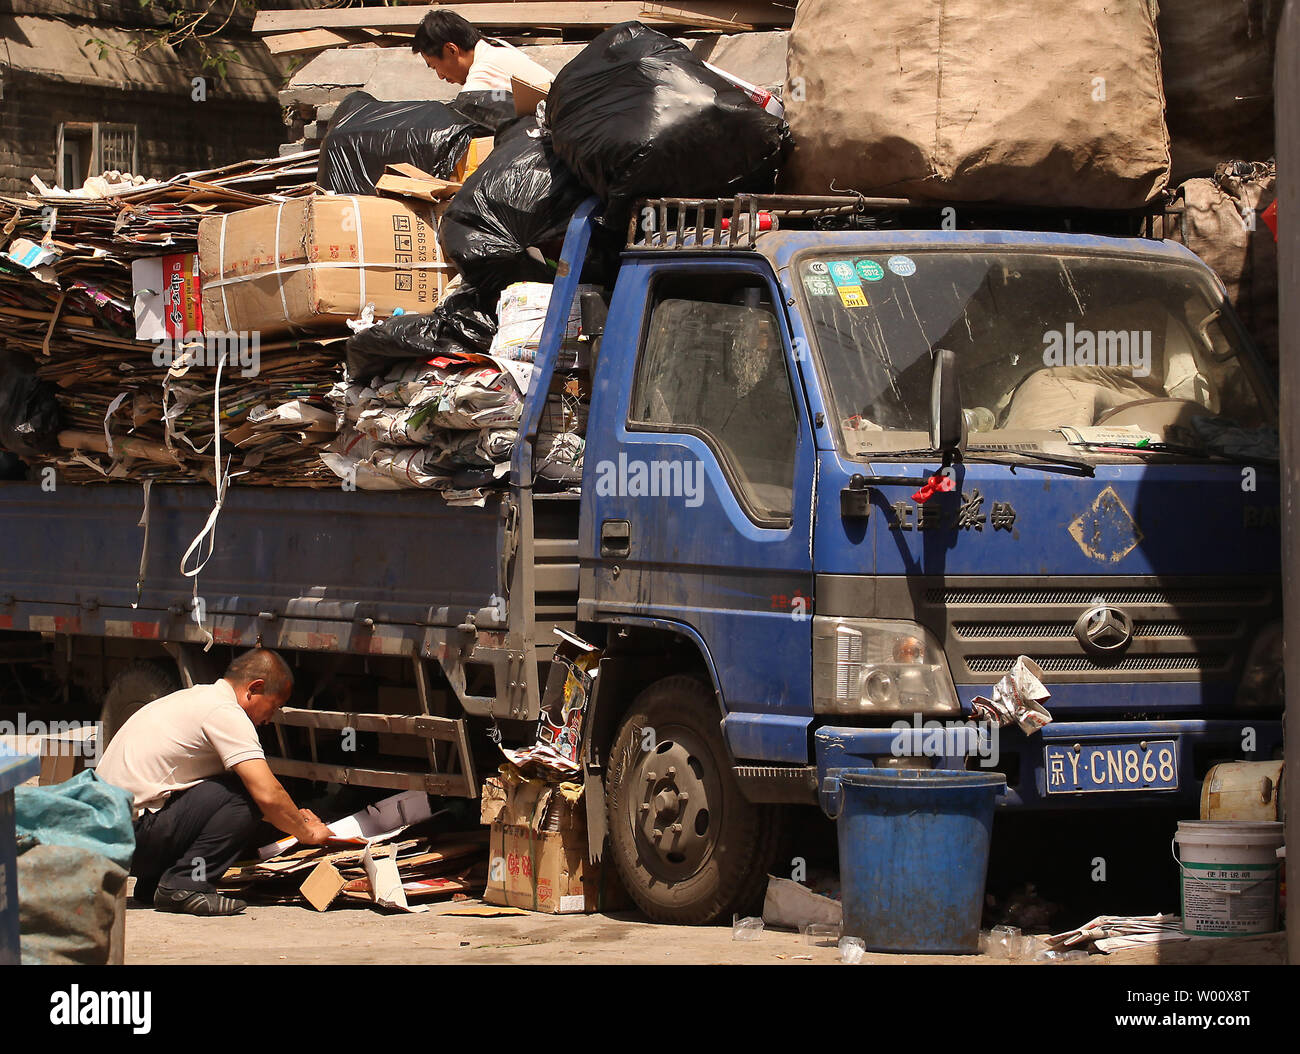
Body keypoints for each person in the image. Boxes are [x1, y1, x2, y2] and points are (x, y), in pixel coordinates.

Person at [97, 648, 332, 916]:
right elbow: (267, 794)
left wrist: (296, 819)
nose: (270, 718)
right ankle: (185, 886)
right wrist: (309, 833)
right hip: (132, 836)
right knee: (245, 793)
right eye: (274, 706)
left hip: (108, 836)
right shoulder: (225, 712)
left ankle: (154, 883)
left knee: (230, 790)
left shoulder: (194, 698)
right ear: (254, 689)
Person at [411, 9, 554, 93]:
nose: (440, 76)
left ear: (451, 50)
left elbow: (464, 113)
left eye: (435, 67)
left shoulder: (483, 71)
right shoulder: (500, 51)